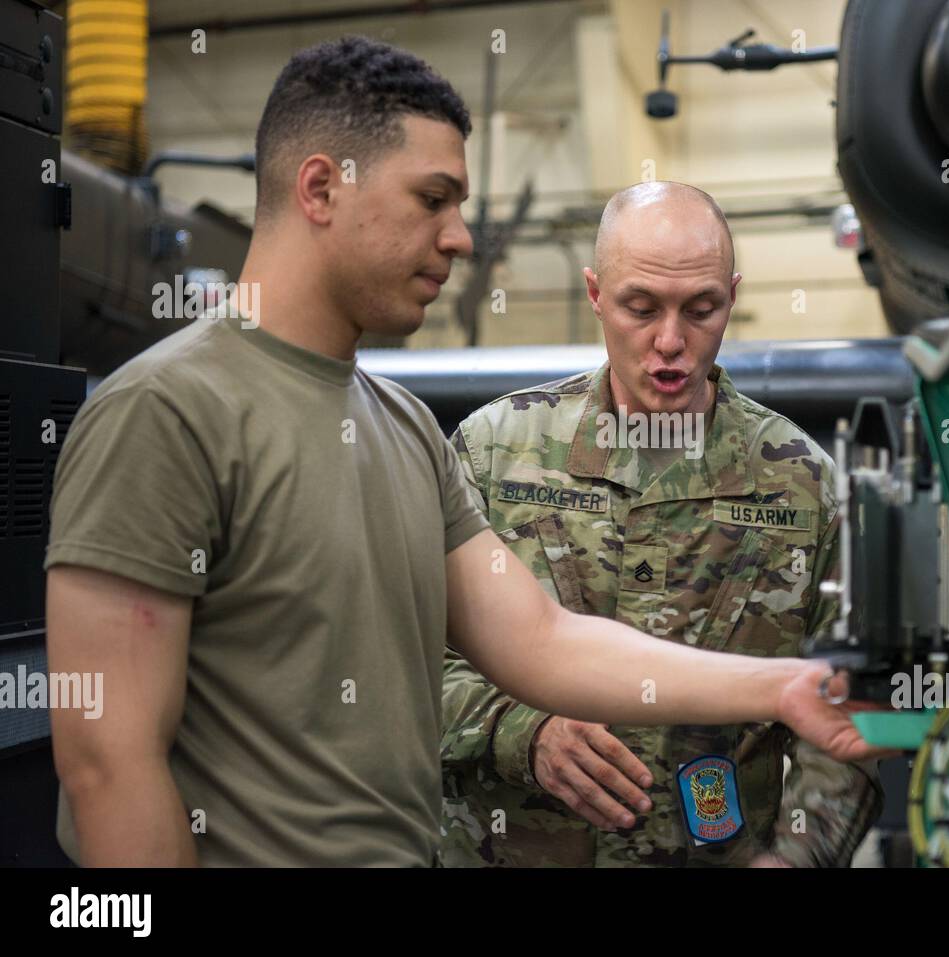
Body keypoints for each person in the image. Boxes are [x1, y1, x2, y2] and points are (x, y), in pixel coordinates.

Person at [43, 36, 881, 868]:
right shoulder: (164, 414)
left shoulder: (404, 429)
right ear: (322, 188)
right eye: (433, 199)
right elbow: (107, 769)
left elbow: (544, 640)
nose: (462, 239)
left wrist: (778, 687)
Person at [440, 182, 884, 867]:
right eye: (639, 308)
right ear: (594, 293)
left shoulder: (803, 484)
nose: (670, 342)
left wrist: (798, 857)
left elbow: (848, 703)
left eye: (701, 309)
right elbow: (407, 662)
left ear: (732, 296)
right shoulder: (495, 453)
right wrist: (520, 730)